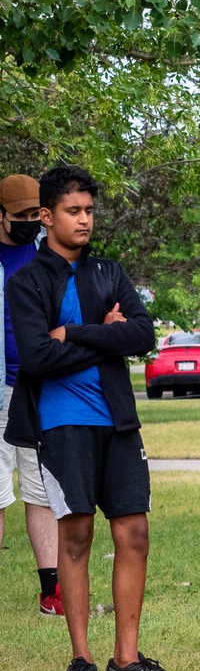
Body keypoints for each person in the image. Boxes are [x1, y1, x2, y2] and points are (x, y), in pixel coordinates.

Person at [3, 164, 185, 671]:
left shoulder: (108, 272)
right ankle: (81, 659)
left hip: (118, 421)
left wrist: (74, 333)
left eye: (89, 211)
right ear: (46, 216)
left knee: (134, 533)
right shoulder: (27, 281)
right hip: (61, 423)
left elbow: (142, 335)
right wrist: (104, 334)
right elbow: (37, 357)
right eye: (72, 211)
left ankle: (126, 660)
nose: (84, 220)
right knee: (77, 534)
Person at [0, 173, 63, 616]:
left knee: (41, 490)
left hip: (37, 386)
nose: (28, 222)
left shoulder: (47, 253)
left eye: (33, 214)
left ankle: (52, 593)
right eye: (19, 215)